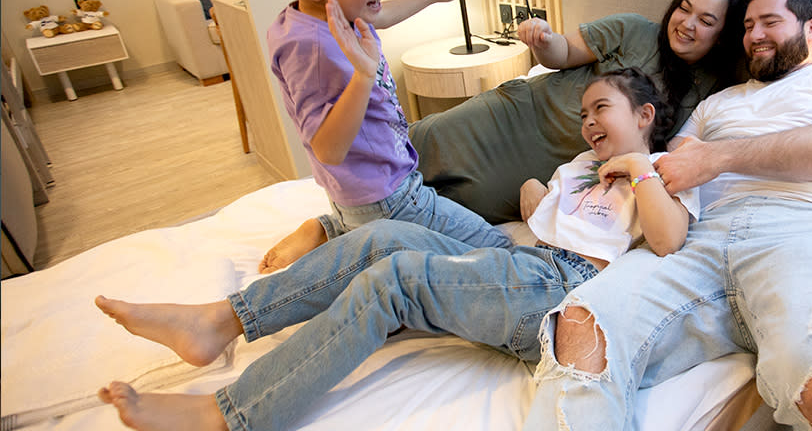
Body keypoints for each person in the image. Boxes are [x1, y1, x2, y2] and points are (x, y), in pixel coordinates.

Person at [95, 68, 701, 431]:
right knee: (380, 236)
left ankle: (232, 414)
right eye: (583, 113)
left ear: (645, 114)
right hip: (523, 260)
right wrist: (538, 190)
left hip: (559, 290)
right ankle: (221, 320)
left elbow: (670, 239)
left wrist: (639, 169)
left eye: (601, 109)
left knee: (399, 280)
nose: (588, 122)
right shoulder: (577, 166)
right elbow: (536, 214)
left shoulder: (662, 170)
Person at [523, 0, 812, 430]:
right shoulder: (716, 105)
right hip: (700, 236)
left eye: (770, 22)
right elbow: (670, 170)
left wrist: (718, 157)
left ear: (811, 27)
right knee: (581, 324)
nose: (755, 36)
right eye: (748, 26)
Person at [260, 0, 745, 272]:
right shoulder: (634, 29)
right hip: (509, 114)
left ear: (722, 35)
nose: (688, 23)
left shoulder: (708, 96)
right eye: (685, 8)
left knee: (437, 213)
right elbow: (562, 55)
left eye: (707, 20)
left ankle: (331, 234)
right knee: (396, 160)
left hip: (540, 164)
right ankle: (329, 224)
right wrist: (543, 39)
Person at [254, 0, 514, 273]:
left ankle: (333, 228)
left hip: (368, 190)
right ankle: (347, 237)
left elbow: (383, 15)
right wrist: (363, 75)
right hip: (387, 197)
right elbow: (327, 149)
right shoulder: (311, 48)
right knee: (499, 249)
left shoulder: (323, 14)